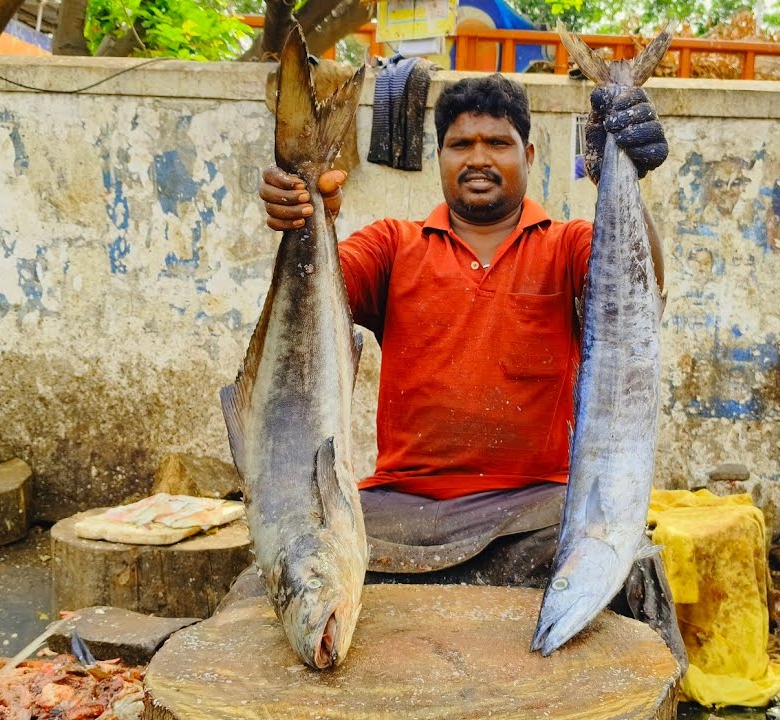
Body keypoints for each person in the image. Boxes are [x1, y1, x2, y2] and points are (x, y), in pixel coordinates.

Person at [231, 73, 685, 664]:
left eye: (497, 143)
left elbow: (640, 293)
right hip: (401, 508)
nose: (478, 158)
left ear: (528, 152)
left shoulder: (571, 244)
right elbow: (314, 298)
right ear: (439, 157)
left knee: (637, 578)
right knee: (267, 591)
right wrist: (307, 214)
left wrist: (623, 179)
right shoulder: (393, 245)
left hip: (535, 509)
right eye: (460, 144)